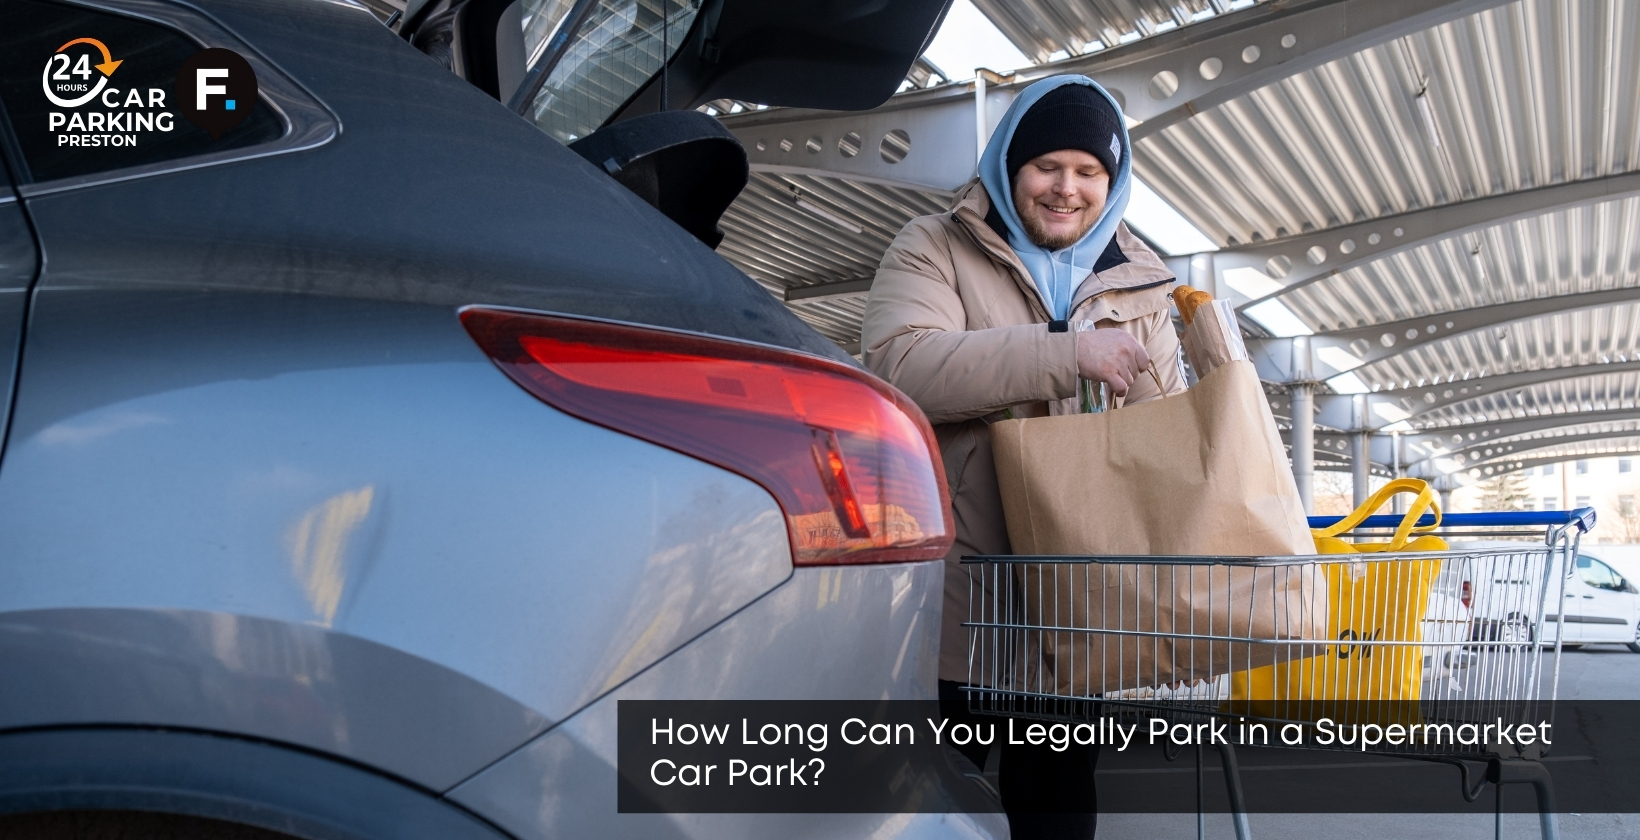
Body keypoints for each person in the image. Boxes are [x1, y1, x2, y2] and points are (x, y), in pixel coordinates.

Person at [860, 74, 1188, 838]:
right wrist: (1065, 354)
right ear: (1010, 165)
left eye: (1088, 172)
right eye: (1047, 166)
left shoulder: (1142, 284)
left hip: (1074, 610)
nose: (1066, 189)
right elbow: (898, 367)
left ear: (1114, 181)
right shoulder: (934, 245)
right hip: (958, 600)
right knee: (938, 808)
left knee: (1059, 809)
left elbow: (1167, 431)